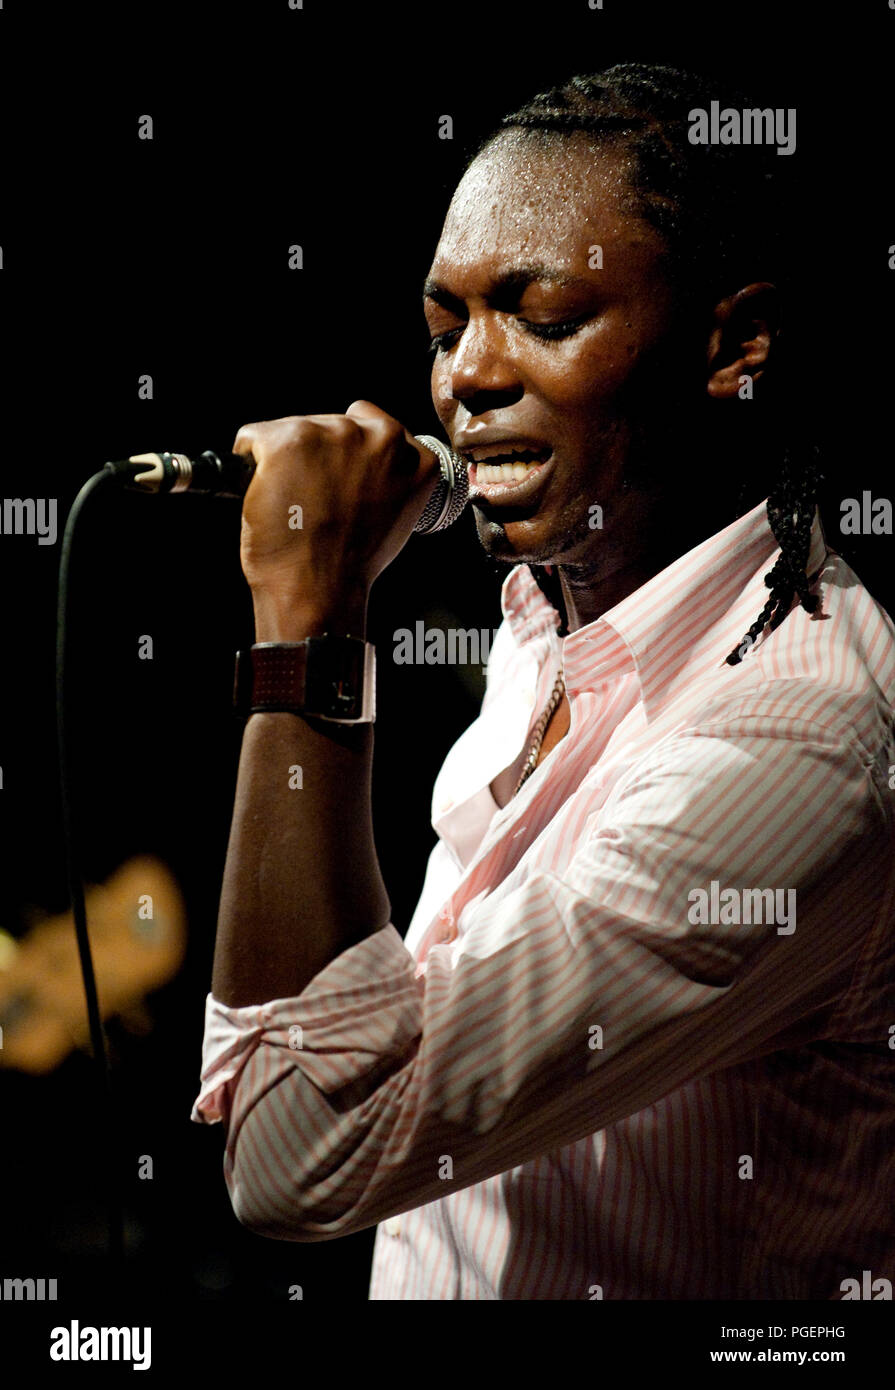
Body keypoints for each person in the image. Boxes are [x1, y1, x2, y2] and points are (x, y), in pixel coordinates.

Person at [190, 65, 895, 1299]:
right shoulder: (548, 619)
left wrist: (310, 619)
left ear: (733, 344)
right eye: (444, 326)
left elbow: (301, 1148)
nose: (467, 376)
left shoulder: (798, 737)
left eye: (543, 316)